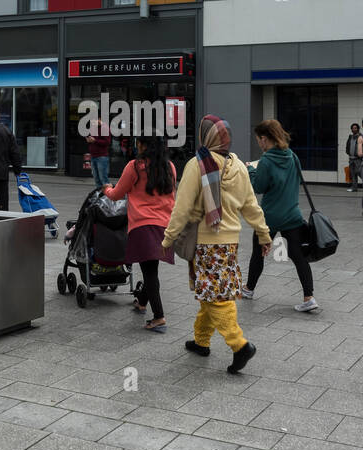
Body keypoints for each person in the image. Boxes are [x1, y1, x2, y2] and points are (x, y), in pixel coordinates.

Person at [162, 114, 271, 375]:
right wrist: (263, 234)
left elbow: (182, 208)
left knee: (215, 297)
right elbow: (251, 206)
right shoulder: (239, 166)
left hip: (207, 242)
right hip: (230, 243)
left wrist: (167, 238)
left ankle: (239, 345)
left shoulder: (196, 165)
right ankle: (201, 341)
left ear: (205, 137)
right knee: (212, 291)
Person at [241, 119, 318, 312]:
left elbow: (259, 187)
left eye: (259, 139)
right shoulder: (292, 156)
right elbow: (297, 179)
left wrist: (250, 169)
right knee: (298, 256)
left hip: (269, 218)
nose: (259, 143)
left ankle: (249, 289)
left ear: (265, 139)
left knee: (258, 253)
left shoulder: (266, 160)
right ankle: (309, 297)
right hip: (292, 215)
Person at [104, 135, 176, 334]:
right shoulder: (169, 167)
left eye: (138, 143)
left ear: (144, 145)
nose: (137, 147)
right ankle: (141, 302)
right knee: (151, 265)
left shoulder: (134, 166)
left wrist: (106, 189)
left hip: (143, 223)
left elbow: (117, 194)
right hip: (165, 225)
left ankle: (159, 317)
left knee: (150, 271)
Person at [87, 119, 111, 188]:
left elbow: (107, 142)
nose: (93, 122)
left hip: (102, 156)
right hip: (93, 156)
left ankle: (108, 196)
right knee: (96, 179)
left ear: (100, 119)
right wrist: (89, 140)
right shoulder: (94, 127)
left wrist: (95, 140)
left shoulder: (105, 128)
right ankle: (100, 196)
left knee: (103, 179)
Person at [345, 123, 362, 192]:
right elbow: (347, 146)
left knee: (360, 173)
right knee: (353, 174)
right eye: (353, 128)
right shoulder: (350, 137)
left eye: (355, 128)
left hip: (358, 159)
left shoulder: (360, 137)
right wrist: (348, 152)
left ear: (358, 129)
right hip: (351, 158)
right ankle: (354, 188)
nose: (354, 129)